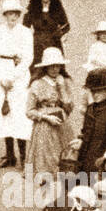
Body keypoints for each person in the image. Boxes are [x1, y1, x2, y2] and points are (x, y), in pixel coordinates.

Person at [0, 0, 34, 168]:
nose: (12, 17)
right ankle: (9, 155)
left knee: (19, 115)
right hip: (0, 74)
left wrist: (12, 78)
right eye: (9, 13)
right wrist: (1, 78)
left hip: (18, 75)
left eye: (15, 13)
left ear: (19, 15)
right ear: (5, 15)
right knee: (3, 114)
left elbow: (28, 58)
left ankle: (23, 156)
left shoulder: (26, 33)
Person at [26, 48, 73, 188]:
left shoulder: (63, 82)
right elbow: (29, 111)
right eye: (51, 66)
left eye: (57, 65)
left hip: (62, 125)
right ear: (45, 67)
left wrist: (62, 88)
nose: (54, 69)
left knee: (65, 157)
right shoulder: (37, 84)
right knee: (45, 161)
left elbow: (70, 108)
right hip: (44, 126)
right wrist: (45, 117)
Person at [71, 69, 106, 176]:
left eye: (99, 90)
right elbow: (85, 132)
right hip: (84, 163)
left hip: (102, 167)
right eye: (92, 91)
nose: (95, 94)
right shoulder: (90, 109)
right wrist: (80, 141)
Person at [24, 0, 70, 64]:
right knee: (35, 69)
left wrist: (59, 34)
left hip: (54, 42)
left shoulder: (57, 3)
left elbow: (66, 25)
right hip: (37, 43)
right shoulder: (33, 3)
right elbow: (25, 26)